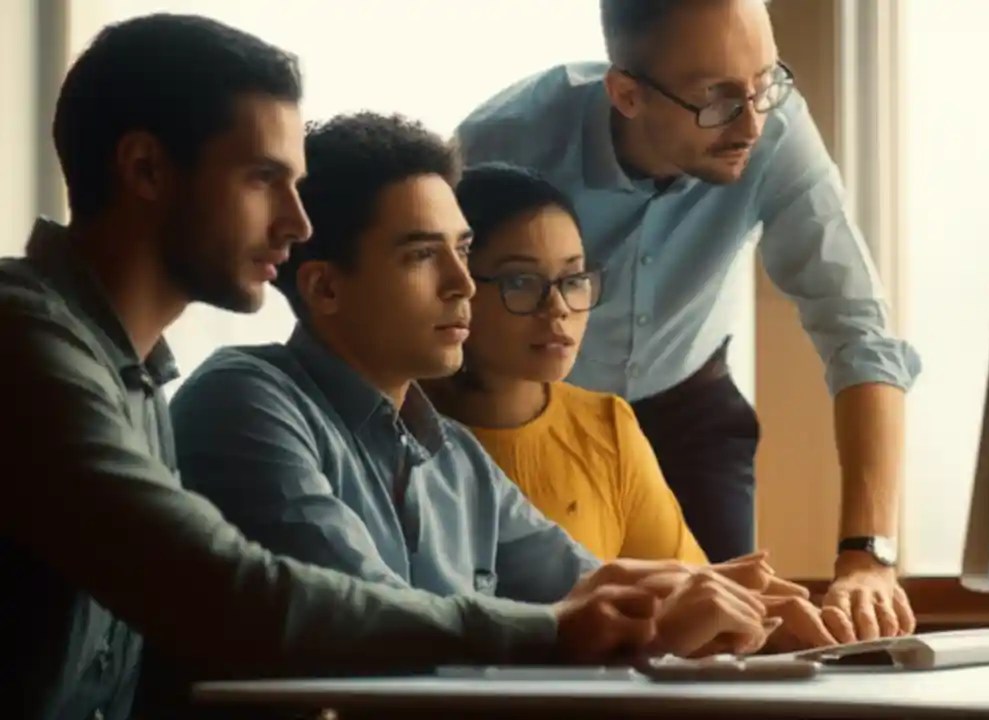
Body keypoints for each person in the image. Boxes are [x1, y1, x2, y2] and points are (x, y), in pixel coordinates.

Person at [0, 15, 726, 719]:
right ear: (146, 168)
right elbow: (231, 592)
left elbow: (586, 582)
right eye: (262, 179)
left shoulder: (134, 382)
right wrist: (550, 630)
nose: (297, 223)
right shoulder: (25, 344)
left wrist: (729, 600)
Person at [170, 112, 827, 659]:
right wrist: (607, 624)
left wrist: (735, 602)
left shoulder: (453, 456)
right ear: (324, 286)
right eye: (424, 256)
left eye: (462, 250)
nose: (462, 285)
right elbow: (357, 615)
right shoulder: (245, 401)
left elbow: (591, 584)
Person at [455, 0, 923, 641]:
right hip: (528, 417)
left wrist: (867, 557)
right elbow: (434, 307)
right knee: (567, 635)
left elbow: (860, 332)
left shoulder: (773, 128)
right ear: (625, 94)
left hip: (688, 402)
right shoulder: (505, 142)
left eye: (764, 84)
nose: (753, 124)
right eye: (717, 99)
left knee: (737, 640)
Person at [427, 162, 707, 566]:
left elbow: (684, 592)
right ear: (457, 286)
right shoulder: (394, 429)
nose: (557, 308)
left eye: (573, 279)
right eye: (521, 282)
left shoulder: (607, 429)